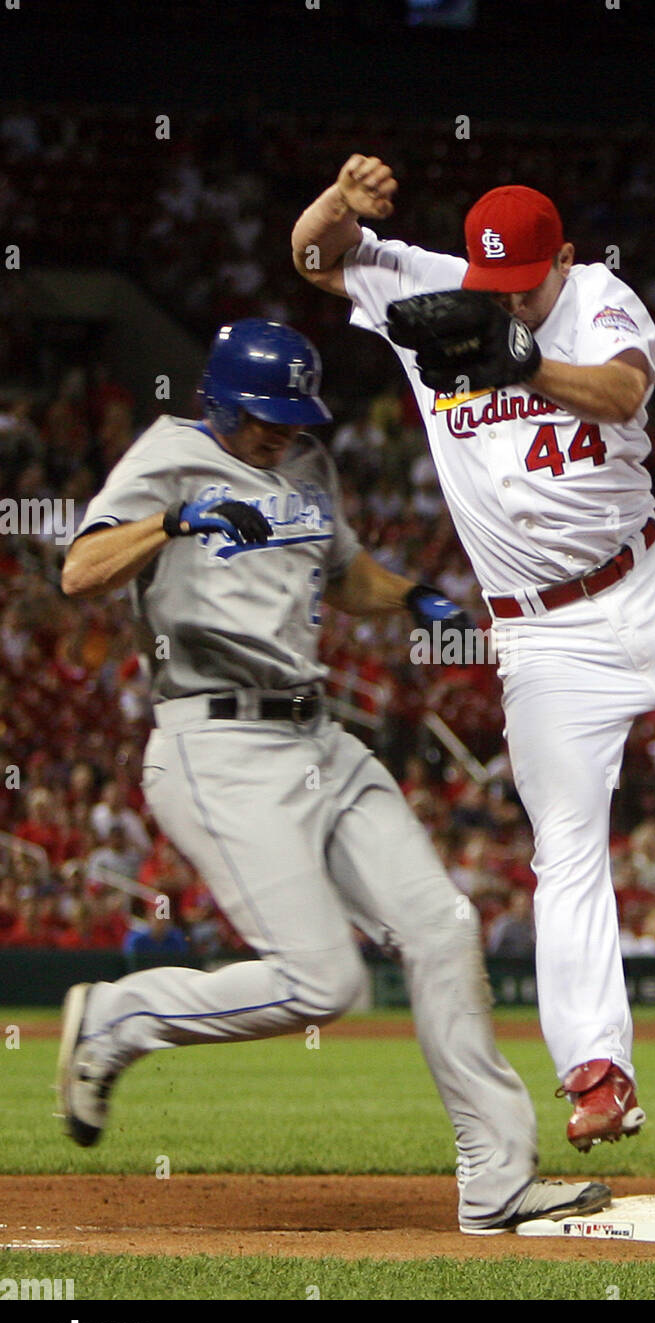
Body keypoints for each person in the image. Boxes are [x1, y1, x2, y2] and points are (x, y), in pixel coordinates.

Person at [292, 155, 655, 1152]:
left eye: (522, 279)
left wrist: (516, 361)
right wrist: (339, 209)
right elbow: (313, 258)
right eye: (489, 283)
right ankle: (596, 1074)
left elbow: (614, 393)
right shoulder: (441, 291)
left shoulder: (602, 298)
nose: (502, 296)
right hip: (545, 637)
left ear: (561, 259)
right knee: (563, 849)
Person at [56, 317, 611, 1235]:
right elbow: (80, 569)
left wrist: (412, 597)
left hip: (320, 736)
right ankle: (121, 1019)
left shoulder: (308, 462)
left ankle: (498, 1181)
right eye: (264, 416)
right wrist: (170, 520)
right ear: (218, 401)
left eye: (292, 415)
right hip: (215, 741)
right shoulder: (168, 454)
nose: (280, 431)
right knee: (323, 986)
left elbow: (342, 570)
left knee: (442, 926)